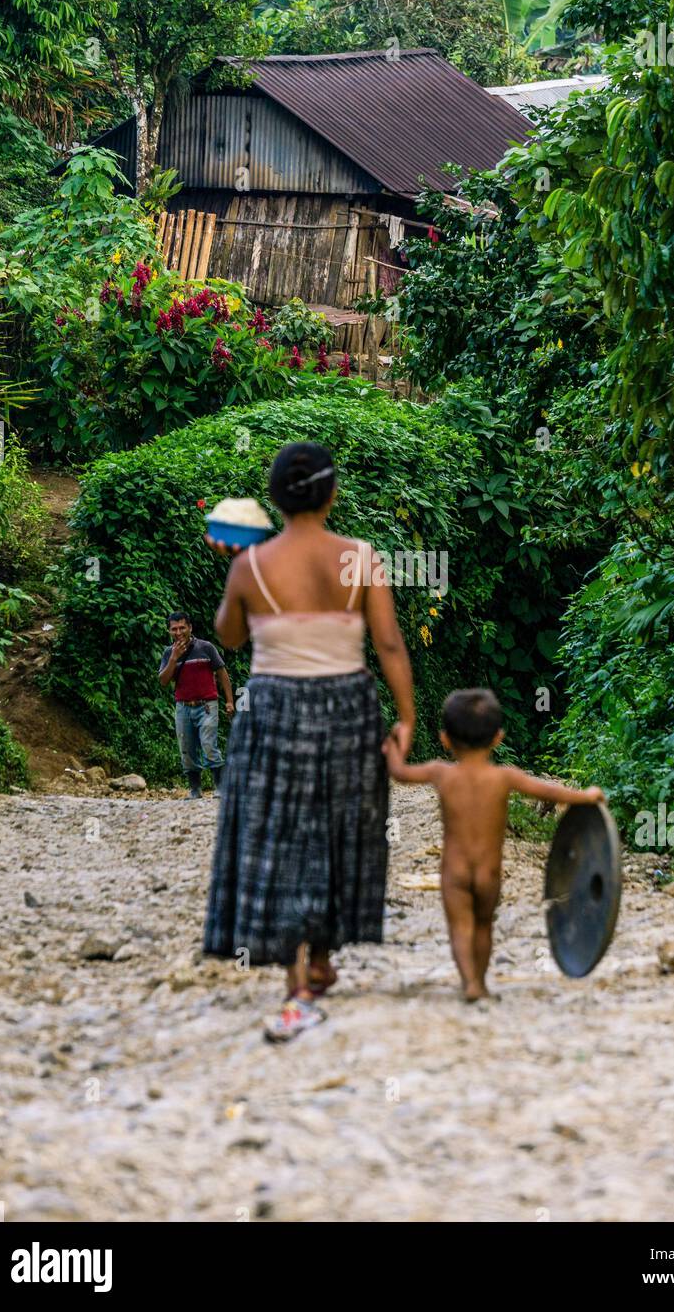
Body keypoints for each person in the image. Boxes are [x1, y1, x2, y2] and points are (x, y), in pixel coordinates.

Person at [203, 441, 415, 1042]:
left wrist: (234, 565)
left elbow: (232, 637)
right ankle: (319, 961)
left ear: (275, 498)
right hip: (348, 704)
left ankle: (299, 982)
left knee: (280, 832)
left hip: (273, 708)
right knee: (340, 825)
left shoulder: (251, 564)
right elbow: (390, 643)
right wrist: (405, 717)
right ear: (332, 494)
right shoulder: (360, 559)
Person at [384, 688, 605, 1002]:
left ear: (445, 739)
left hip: (455, 872)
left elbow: (400, 773)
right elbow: (548, 792)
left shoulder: (440, 773)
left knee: (461, 927)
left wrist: (394, 744)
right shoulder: (504, 777)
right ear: (498, 738)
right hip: (489, 874)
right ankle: (482, 984)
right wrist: (586, 796)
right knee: (484, 926)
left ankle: (469, 983)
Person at [159, 612, 234, 799]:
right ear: (169, 631)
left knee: (209, 744)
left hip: (207, 705)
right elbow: (163, 681)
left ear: (190, 628)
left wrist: (230, 701)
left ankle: (220, 787)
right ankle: (195, 790)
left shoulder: (206, 648)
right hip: (183, 707)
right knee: (186, 749)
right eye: (174, 629)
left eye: (182, 628)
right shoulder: (169, 653)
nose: (178, 632)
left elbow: (222, 673)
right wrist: (174, 658)